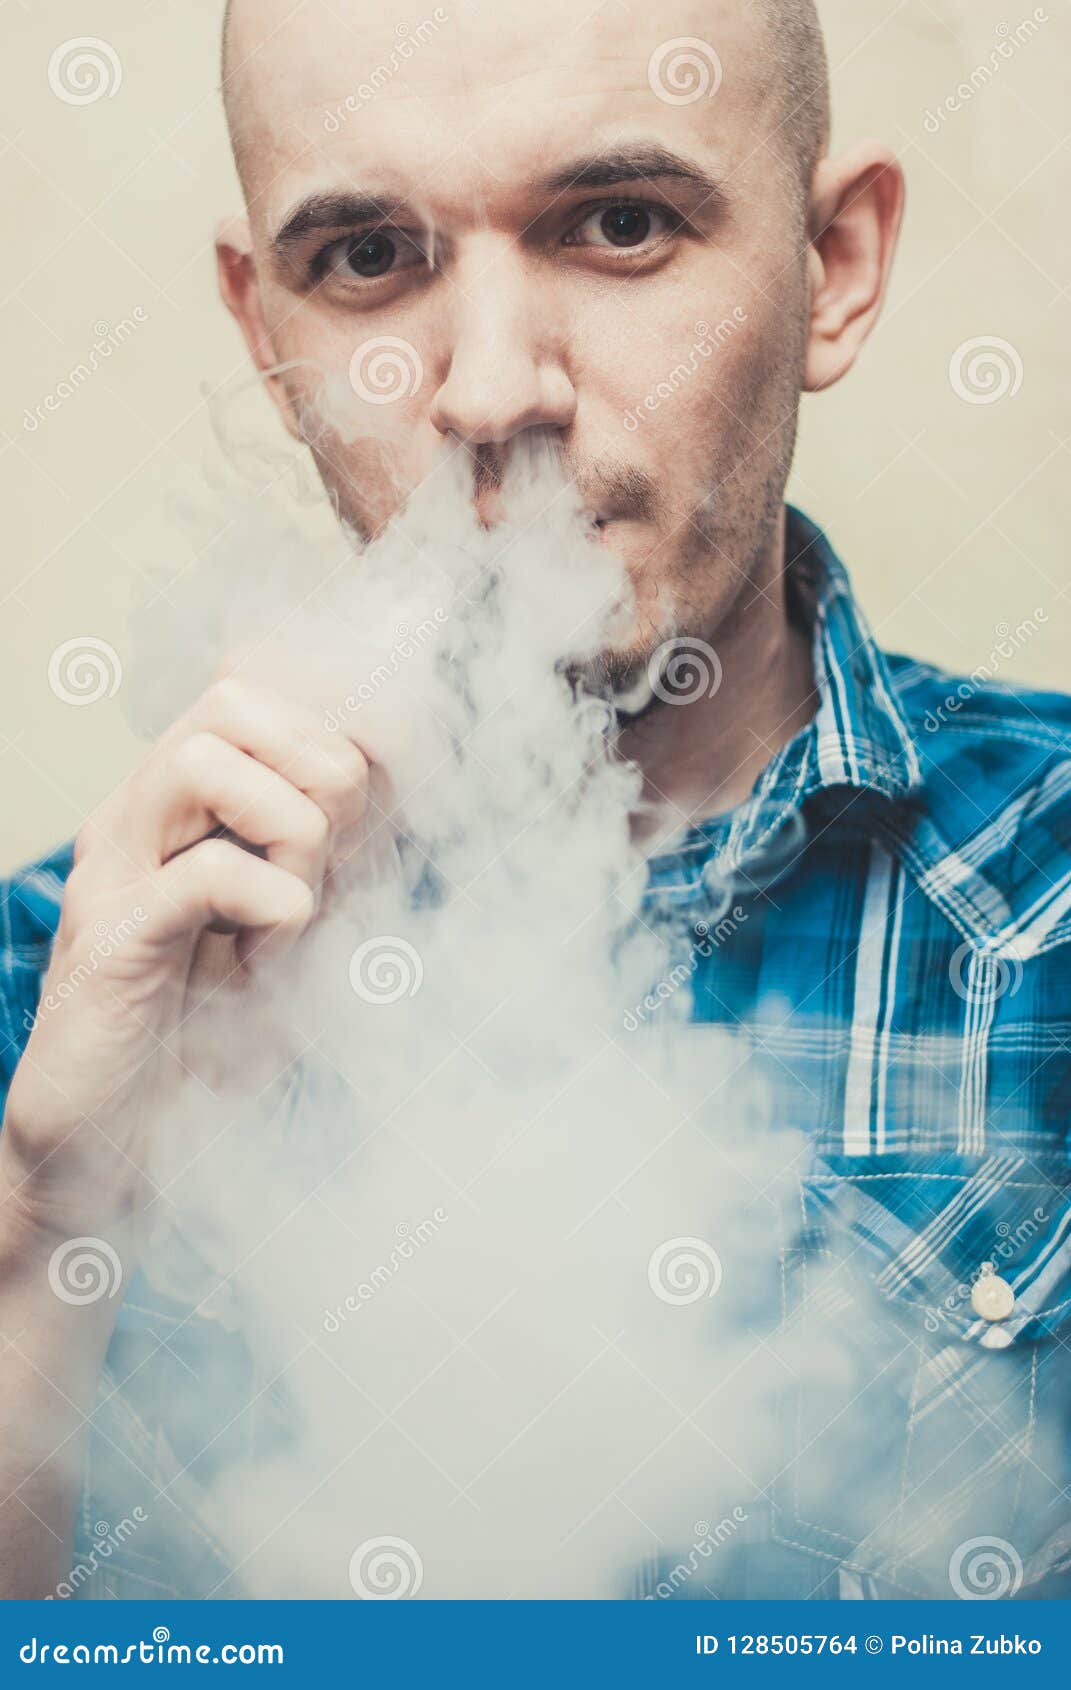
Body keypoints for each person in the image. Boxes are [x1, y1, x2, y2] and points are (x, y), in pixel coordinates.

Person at [1, 0, 1069, 1600]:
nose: (490, 394)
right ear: (264, 329)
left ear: (833, 263)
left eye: (620, 225)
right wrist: (41, 1225)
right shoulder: (58, 1002)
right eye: (368, 257)